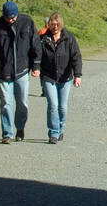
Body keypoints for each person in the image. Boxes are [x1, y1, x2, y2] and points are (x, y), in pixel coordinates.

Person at [0, 1, 40, 144]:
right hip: (4, 72)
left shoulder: (27, 22)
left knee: (22, 103)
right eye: (8, 17)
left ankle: (20, 128)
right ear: (3, 15)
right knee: (5, 103)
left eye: (13, 17)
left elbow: (36, 44)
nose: (11, 20)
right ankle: (7, 134)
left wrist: (36, 65)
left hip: (22, 71)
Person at [35, 14, 83, 144]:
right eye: (52, 24)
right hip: (48, 77)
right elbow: (37, 54)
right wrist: (35, 67)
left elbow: (76, 57)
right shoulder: (43, 39)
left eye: (57, 24)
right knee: (53, 105)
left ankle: (61, 128)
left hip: (65, 78)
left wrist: (77, 75)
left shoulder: (69, 38)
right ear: (49, 24)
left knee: (62, 107)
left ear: (61, 24)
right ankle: (53, 133)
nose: (55, 27)